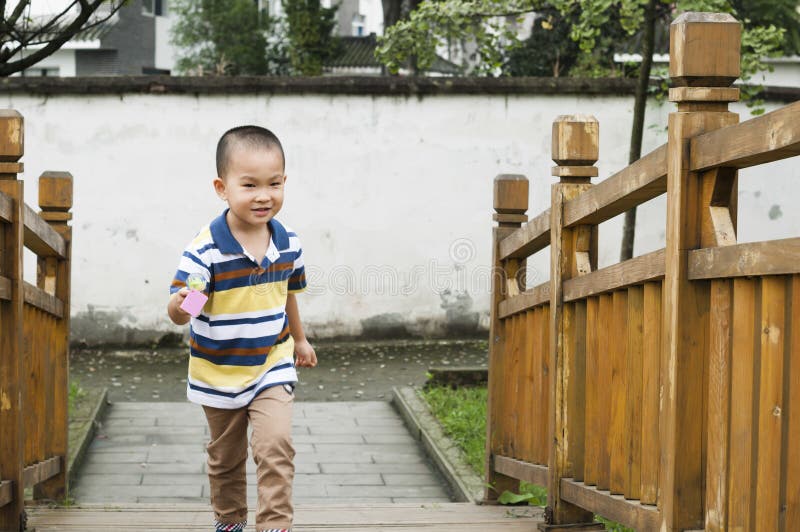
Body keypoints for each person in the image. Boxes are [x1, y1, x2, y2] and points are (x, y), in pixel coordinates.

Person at [167, 125, 316, 532]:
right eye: (249, 185)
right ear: (222, 187)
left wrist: (299, 339)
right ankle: (230, 520)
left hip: (272, 360)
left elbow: (287, 292)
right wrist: (181, 307)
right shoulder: (207, 250)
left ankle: (274, 524)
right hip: (219, 370)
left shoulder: (288, 243)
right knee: (226, 455)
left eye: (274, 184)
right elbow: (188, 308)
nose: (263, 195)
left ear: (285, 182)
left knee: (275, 446)